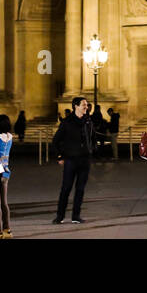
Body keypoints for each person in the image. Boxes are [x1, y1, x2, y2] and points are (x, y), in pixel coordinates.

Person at [51, 96, 94, 224]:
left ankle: (76, 215)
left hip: (84, 159)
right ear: (76, 106)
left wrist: (91, 150)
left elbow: (92, 138)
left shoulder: (88, 121)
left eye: (86, 105)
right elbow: (56, 140)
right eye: (84, 105)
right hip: (70, 159)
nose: (86, 107)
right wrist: (60, 156)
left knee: (80, 189)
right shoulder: (67, 122)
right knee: (66, 188)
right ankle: (60, 215)